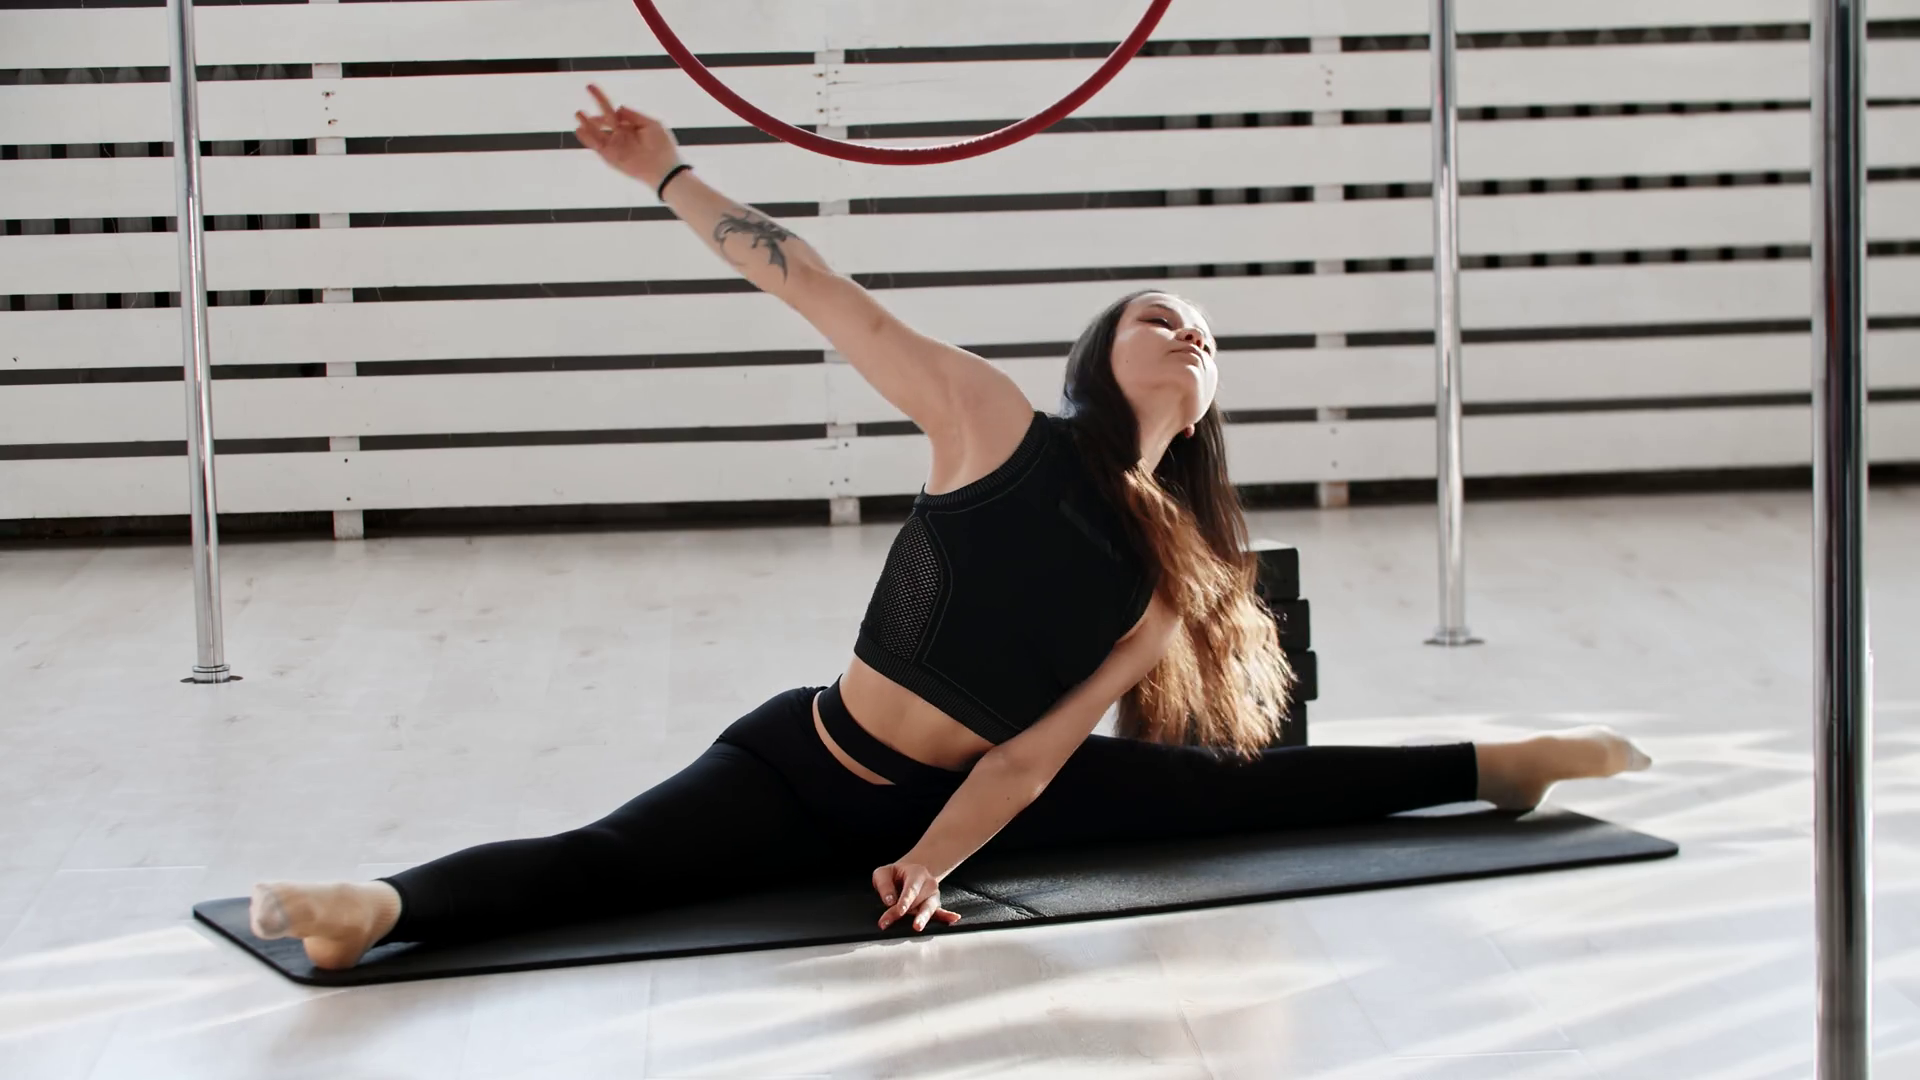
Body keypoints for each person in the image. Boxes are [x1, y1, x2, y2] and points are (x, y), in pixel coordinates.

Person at [247, 85, 1654, 970]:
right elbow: (826, 297)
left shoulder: (1180, 568)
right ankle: (376, 906)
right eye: (1158, 315)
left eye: (1208, 333)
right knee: (604, 866)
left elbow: (1041, 754)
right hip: (801, 758)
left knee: (1235, 794)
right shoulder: (992, 425)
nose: (1188, 335)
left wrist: (934, 864)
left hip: (971, 797)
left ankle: (1500, 762)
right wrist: (671, 173)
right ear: (1099, 355)